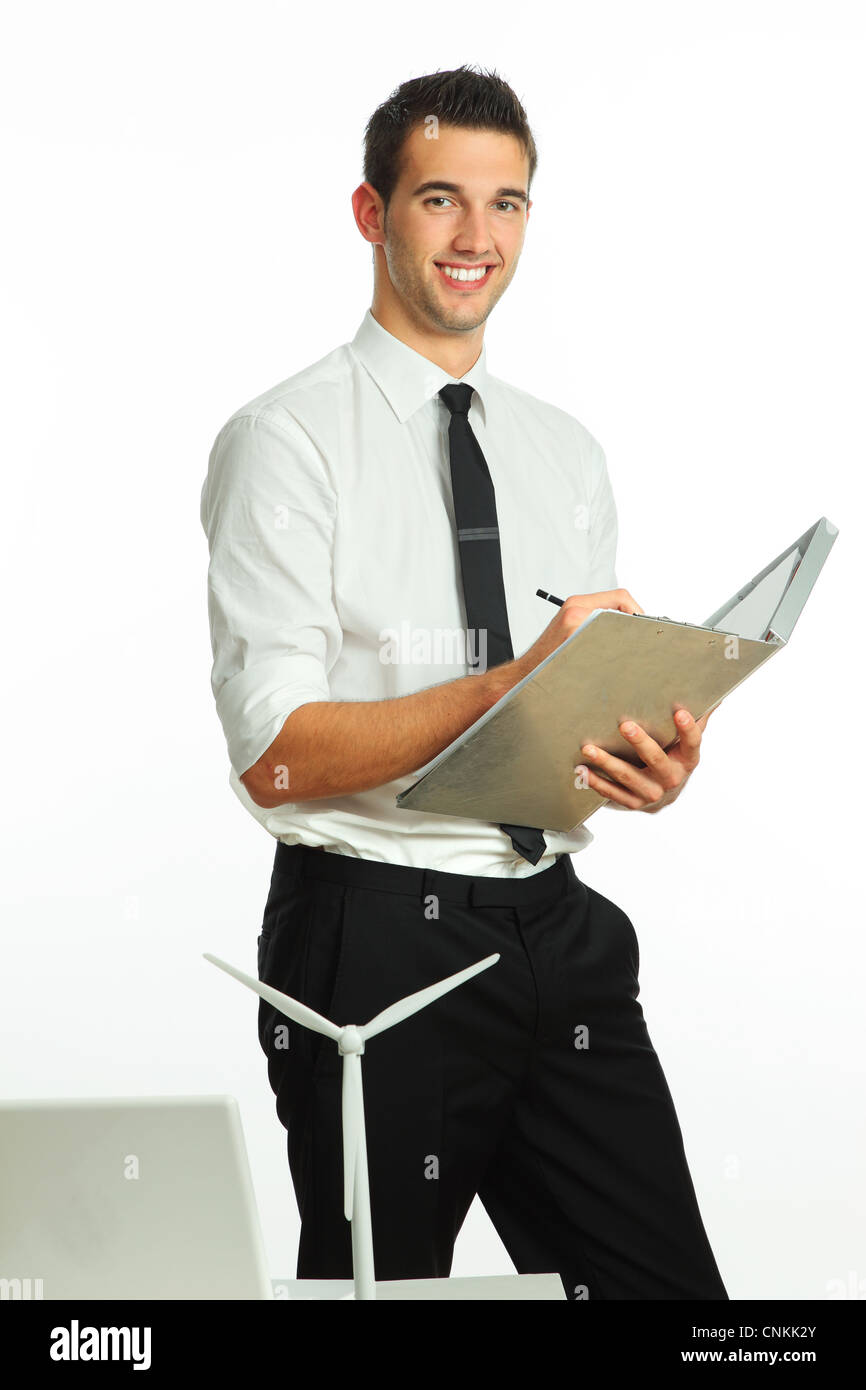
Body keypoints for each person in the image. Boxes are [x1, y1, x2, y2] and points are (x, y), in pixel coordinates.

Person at [200, 63, 727, 1300]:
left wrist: (636, 756)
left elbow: (559, 717)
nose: (476, 237)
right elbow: (273, 753)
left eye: (508, 204)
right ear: (371, 214)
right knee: (381, 1300)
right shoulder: (284, 443)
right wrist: (504, 686)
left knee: (682, 1315)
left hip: (558, 931)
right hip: (373, 941)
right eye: (440, 199)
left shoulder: (562, 452)